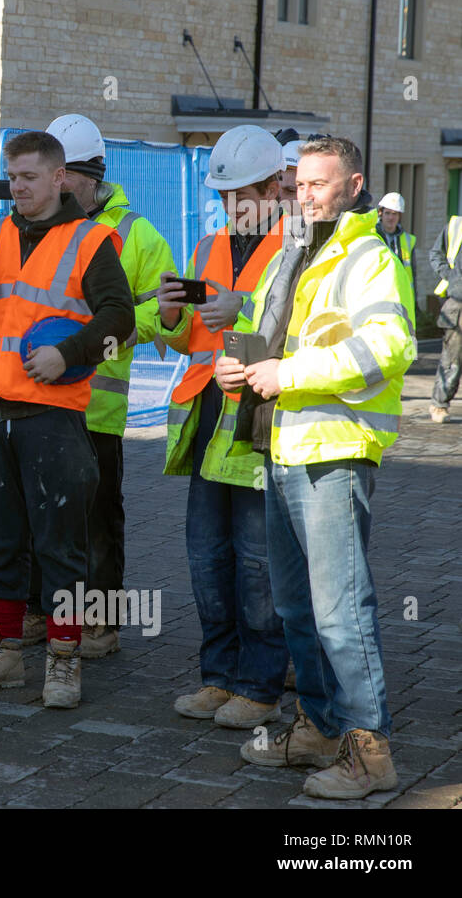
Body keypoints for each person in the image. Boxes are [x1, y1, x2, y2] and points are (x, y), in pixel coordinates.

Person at [226, 136, 414, 800]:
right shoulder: (299, 251)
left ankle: (370, 753)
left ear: (354, 184)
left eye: (319, 183)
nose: (305, 194)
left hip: (334, 447)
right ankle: (318, 725)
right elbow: (274, 337)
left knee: (340, 610)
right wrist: (242, 366)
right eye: (298, 183)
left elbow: (390, 346)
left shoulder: (366, 254)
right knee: (296, 604)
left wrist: (290, 374)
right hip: (287, 445)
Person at [0, 131, 134, 708]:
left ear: (58, 178)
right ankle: (2, 655)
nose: (18, 187)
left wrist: (69, 354)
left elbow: (119, 318)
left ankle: (64, 660)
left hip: (51, 412)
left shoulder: (91, 240)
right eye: (12, 176)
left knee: (59, 544)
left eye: (29, 177)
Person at [160, 125, 289, 728]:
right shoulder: (210, 246)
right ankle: (219, 677)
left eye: (242, 195)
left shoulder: (301, 246)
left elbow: (301, 332)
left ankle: (259, 687)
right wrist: (169, 313)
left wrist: (244, 307)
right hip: (210, 422)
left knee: (258, 564)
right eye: (224, 197)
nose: (231, 208)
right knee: (208, 559)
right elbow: (188, 336)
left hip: (259, 425)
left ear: (273, 188)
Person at [43, 113, 176, 658]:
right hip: (38, 397)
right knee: (42, 514)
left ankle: (101, 621)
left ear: (91, 174)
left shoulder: (136, 234)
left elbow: (165, 308)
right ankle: (42, 613)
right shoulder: (37, 226)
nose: (57, 185)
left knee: (97, 518)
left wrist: (110, 333)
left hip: (95, 406)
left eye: (65, 174)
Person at [427, 211, 462, 423]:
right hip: (458, 304)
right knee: (453, 359)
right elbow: (435, 254)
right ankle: (439, 404)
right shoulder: (455, 227)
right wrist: (452, 278)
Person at [375, 192, 414, 270]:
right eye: (387, 213)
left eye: (394, 214)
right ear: (381, 213)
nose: (391, 217)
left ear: (399, 216)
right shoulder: (373, 235)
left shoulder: (409, 240)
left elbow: (413, 270)